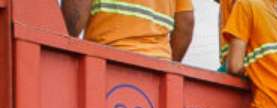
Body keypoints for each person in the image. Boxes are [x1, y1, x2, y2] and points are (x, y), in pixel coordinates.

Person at [61, 0, 195, 61]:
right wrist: (167, 65)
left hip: (105, 62)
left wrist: (62, 49)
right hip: (160, 68)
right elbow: (186, 24)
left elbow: (75, 12)